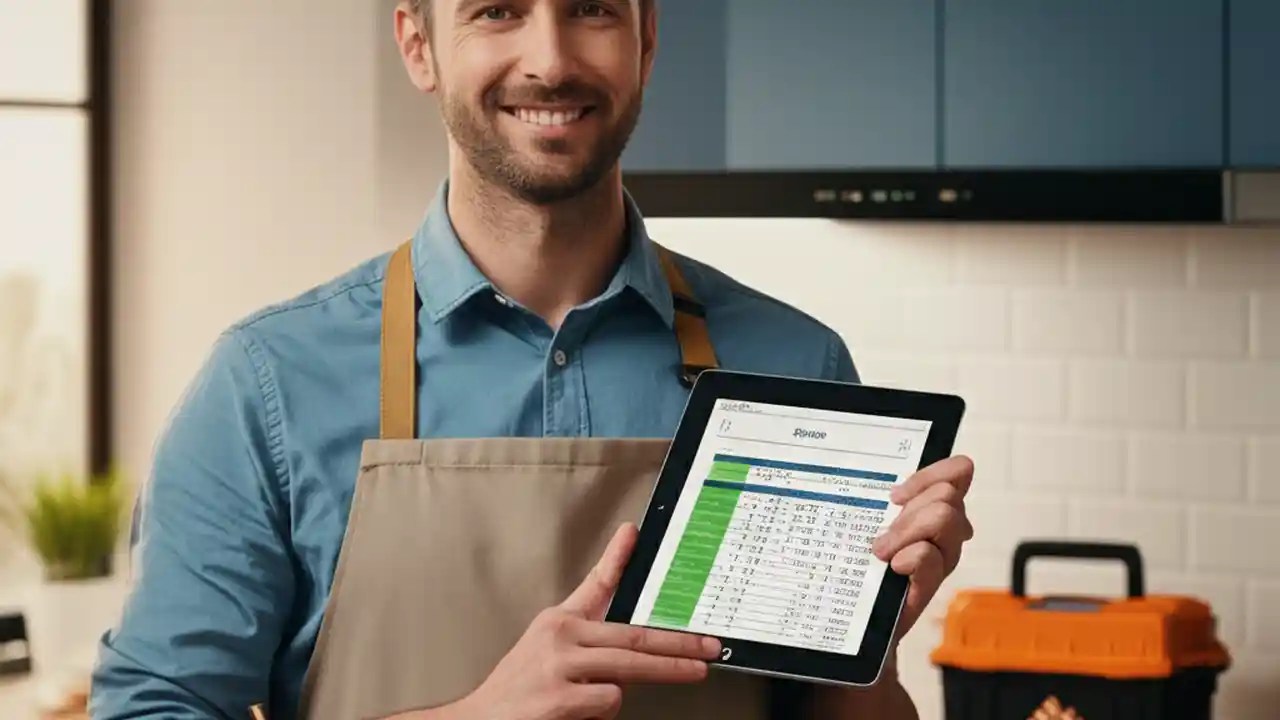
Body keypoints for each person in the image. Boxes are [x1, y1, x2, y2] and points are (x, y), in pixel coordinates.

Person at [90, 1, 976, 718]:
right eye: (497, 12)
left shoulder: (797, 365)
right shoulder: (268, 385)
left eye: (590, 9)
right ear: (418, 45)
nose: (550, 58)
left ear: (646, 39)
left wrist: (877, 654)